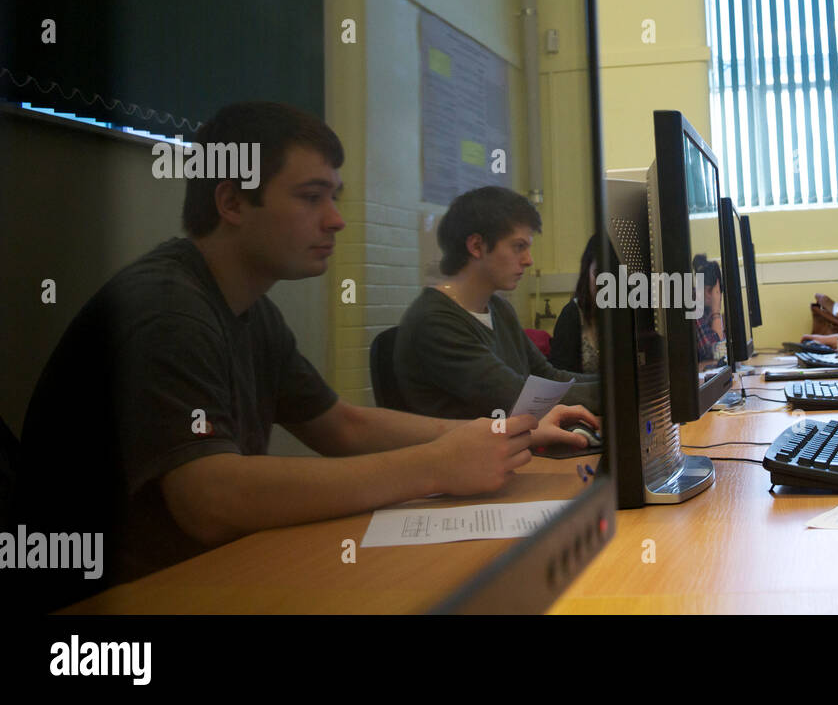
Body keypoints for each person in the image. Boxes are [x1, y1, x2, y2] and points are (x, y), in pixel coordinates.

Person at [13, 103, 596, 610]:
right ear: (233, 200)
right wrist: (435, 465)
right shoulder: (169, 310)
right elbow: (208, 499)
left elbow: (343, 424)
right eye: (312, 197)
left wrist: (483, 434)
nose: (336, 219)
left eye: (333, 198)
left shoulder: (250, 309)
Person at [395, 186, 601, 418]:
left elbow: (547, 377)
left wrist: (623, 381)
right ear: (476, 246)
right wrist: (620, 390)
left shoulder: (499, 308)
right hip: (473, 453)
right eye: (518, 247)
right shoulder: (434, 322)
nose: (528, 260)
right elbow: (519, 398)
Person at [551, 234, 601, 374]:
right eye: (598, 273)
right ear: (587, 274)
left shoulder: (628, 314)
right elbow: (561, 377)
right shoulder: (572, 315)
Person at [694, 254, 726, 365]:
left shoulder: (706, 308)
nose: (719, 297)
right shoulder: (693, 308)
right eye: (717, 292)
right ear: (709, 292)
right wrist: (716, 313)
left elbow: (727, 346)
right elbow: (719, 354)